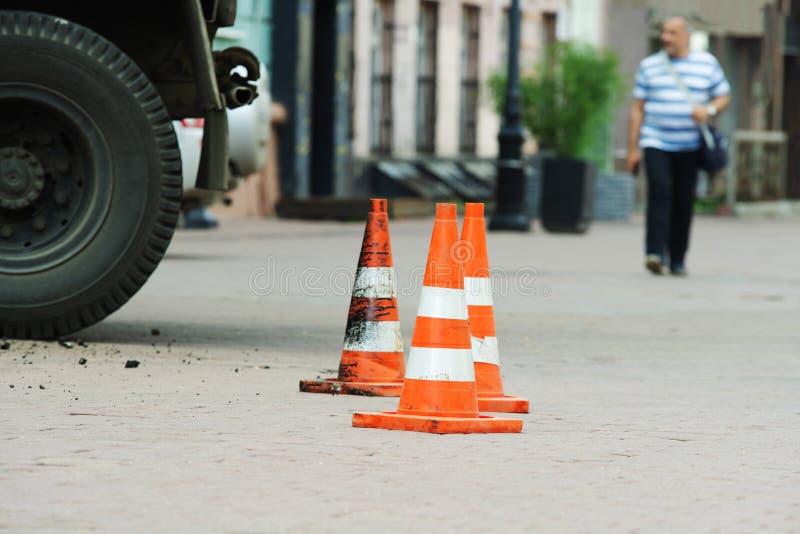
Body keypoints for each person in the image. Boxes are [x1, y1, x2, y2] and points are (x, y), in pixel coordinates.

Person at [626, 16, 731, 276]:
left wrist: (708, 110)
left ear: (686, 36)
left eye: (672, 33)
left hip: (690, 144)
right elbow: (637, 109)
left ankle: (677, 259)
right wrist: (633, 148)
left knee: (684, 200)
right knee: (659, 193)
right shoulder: (650, 66)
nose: (666, 37)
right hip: (656, 140)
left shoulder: (706, 64)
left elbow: (723, 96)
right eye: (664, 32)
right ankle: (654, 253)